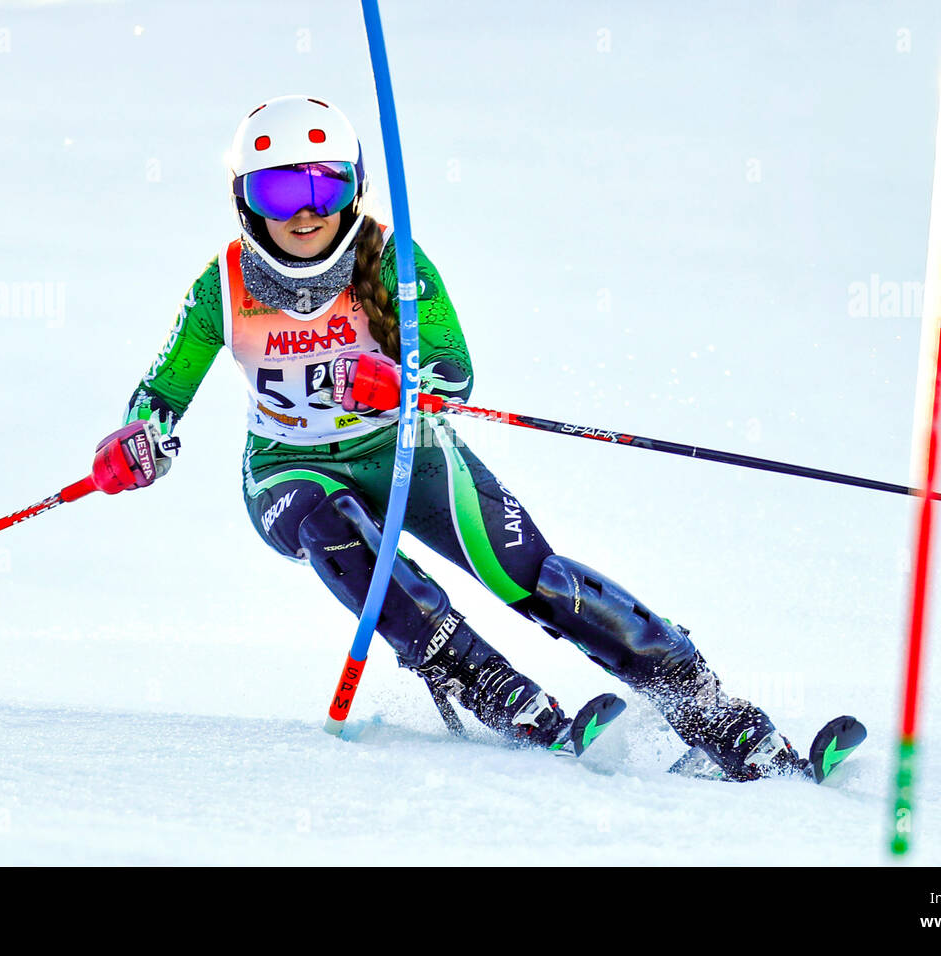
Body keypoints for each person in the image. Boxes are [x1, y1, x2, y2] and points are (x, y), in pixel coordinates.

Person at [93, 94, 807, 778]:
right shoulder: (222, 285)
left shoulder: (393, 260)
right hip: (287, 468)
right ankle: (498, 691)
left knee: (534, 577)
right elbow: (161, 393)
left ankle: (712, 710)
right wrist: (140, 444)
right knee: (333, 526)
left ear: (355, 186)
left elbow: (453, 372)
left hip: (405, 448)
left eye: (326, 184)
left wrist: (401, 384)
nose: (308, 209)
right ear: (247, 199)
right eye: (282, 192)